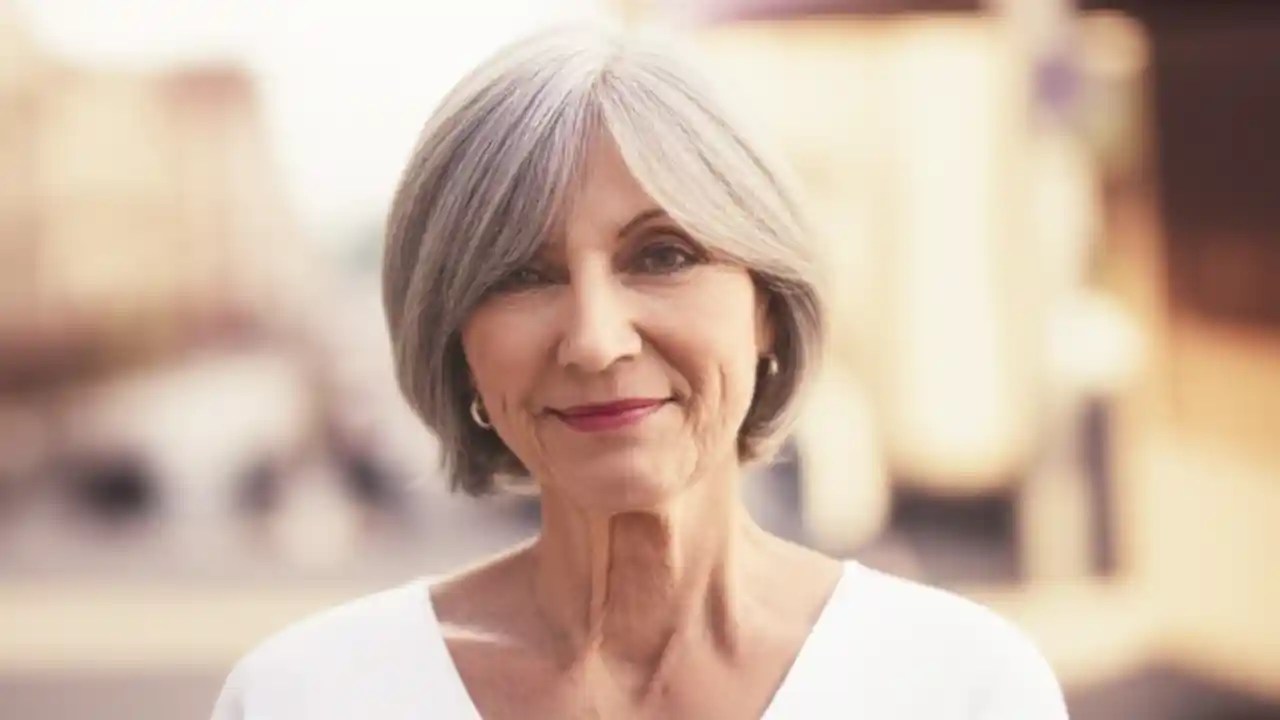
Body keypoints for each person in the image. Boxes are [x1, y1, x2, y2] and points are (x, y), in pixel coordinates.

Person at [211, 25, 1069, 719]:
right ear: (457, 341)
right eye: (521, 274)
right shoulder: (305, 698)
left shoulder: (962, 689)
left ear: (765, 302)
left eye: (662, 255)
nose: (595, 338)